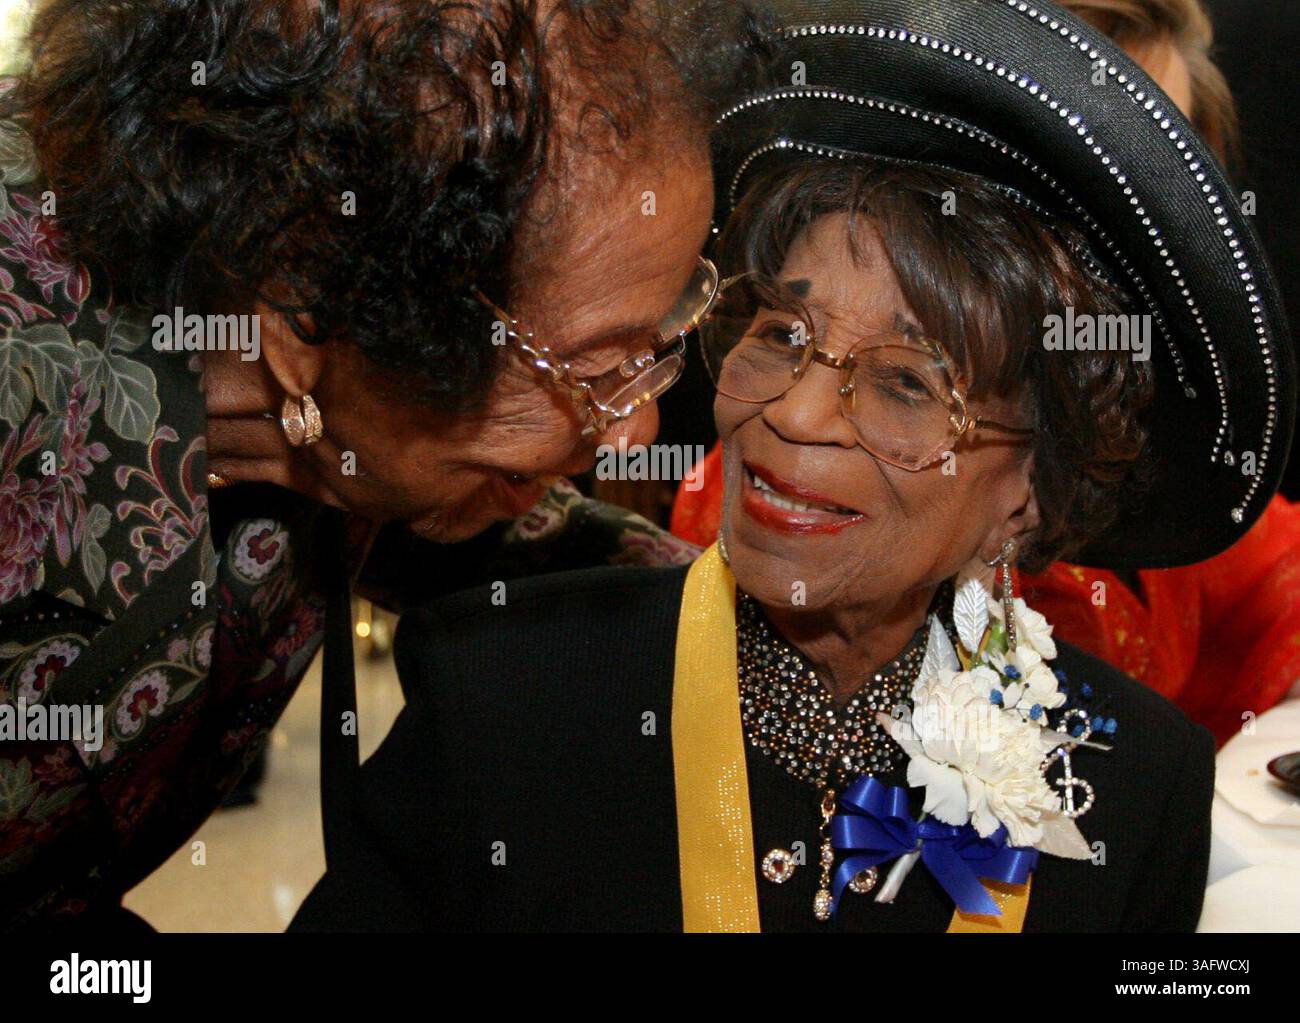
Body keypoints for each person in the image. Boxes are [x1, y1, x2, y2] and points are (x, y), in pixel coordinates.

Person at [291, 0, 1292, 931]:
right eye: (778, 332)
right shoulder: (498, 698)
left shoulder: (1138, 784)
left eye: (906, 383)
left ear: (1030, 491)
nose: (792, 411)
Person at [0, 0, 765, 930]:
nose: (635, 430)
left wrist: (743, 622)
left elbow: (506, 538)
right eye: (593, 368)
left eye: (654, 345)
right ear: (305, 315)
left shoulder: (344, 413)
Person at [670, 0, 1300, 747]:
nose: (798, 415)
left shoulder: (1156, 755)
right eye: (780, 331)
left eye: (1150, 171)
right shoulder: (766, 494)